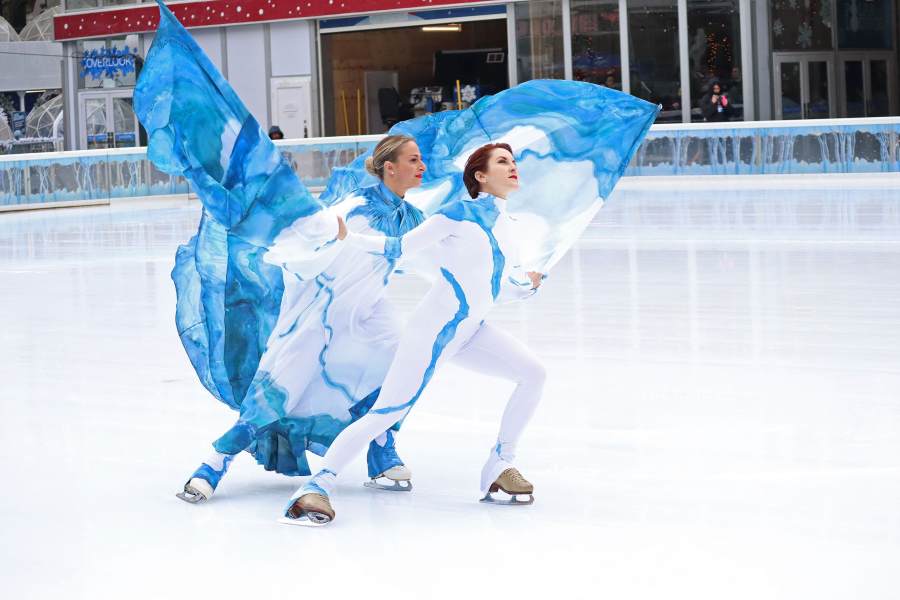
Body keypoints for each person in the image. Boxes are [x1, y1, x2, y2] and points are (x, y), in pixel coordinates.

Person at [284, 143, 547, 525]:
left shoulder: (509, 226)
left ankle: (500, 464)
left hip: (471, 330)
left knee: (533, 373)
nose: (513, 167)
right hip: (433, 330)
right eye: (503, 162)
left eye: (513, 161)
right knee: (386, 413)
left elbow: (492, 286)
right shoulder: (457, 215)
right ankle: (315, 486)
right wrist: (348, 238)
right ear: (480, 176)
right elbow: (398, 247)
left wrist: (525, 286)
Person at [176, 135, 432, 502]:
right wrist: (327, 232)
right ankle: (215, 462)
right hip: (320, 312)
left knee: (405, 363)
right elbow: (307, 235)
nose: (422, 166)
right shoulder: (355, 206)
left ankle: (381, 445)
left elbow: (441, 257)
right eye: (413, 160)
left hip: (369, 310)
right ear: (390, 168)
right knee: (282, 387)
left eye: (420, 159)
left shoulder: (413, 218)